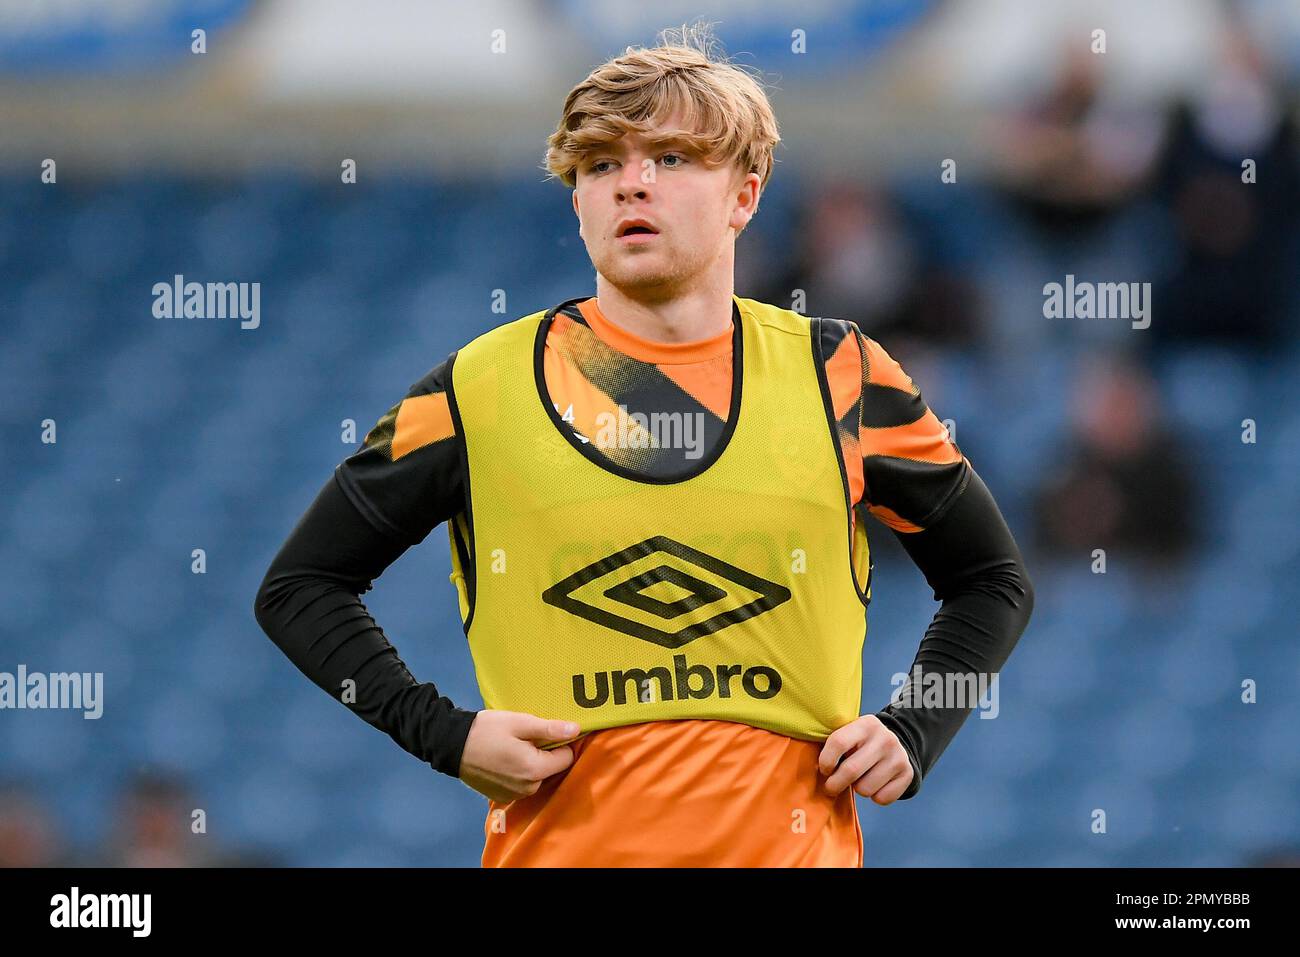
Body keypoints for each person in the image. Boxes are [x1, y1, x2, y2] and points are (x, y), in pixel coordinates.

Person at [254, 24, 1034, 867]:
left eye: (670, 159)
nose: (631, 184)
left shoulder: (842, 374)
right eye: (599, 165)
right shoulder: (478, 389)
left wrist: (915, 730)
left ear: (745, 194)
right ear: (577, 202)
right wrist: (444, 733)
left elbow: (991, 580)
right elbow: (300, 586)